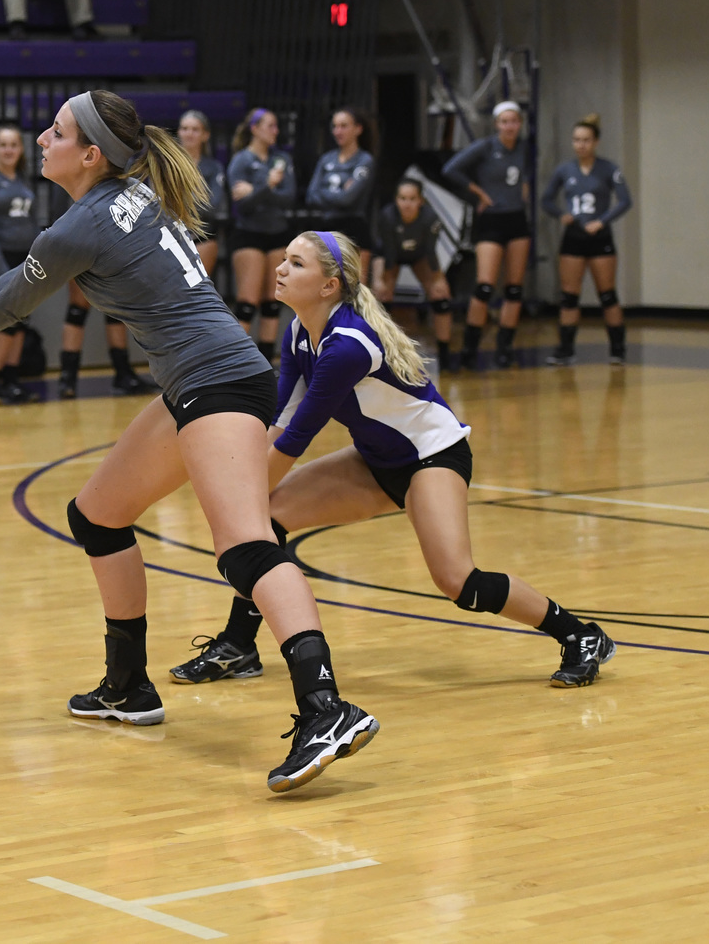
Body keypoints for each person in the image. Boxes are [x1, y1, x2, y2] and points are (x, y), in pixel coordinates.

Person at [0, 90, 379, 793]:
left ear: (92, 155)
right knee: (96, 514)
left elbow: (12, 297)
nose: (43, 138)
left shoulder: (83, 225)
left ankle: (326, 708)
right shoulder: (128, 194)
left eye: (58, 131)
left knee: (246, 546)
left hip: (216, 382)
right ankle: (128, 685)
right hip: (202, 379)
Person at [170, 229, 617, 690]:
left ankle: (580, 635)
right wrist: (241, 494)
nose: (281, 269)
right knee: (269, 519)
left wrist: (236, 503)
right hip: (376, 459)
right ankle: (239, 645)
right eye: (284, 259)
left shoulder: (347, 345)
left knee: (458, 580)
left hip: (431, 456)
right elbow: (277, 423)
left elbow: (297, 438)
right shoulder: (300, 332)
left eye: (297, 263)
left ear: (330, 285)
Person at [442, 100, 531, 369]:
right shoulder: (485, 147)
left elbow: (523, 178)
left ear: (519, 124)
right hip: (491, 220)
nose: (510, 126)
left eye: (514, 121)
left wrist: (523, 193)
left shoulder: (524, 149)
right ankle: (470, 348)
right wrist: (479, 194)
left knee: (514, 288)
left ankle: (505, 348)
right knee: (484, 286)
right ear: (497, 124)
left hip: (517, 219)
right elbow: (451, 170)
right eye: (504, 122)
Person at [540, 114, 633, 366]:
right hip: (573, 237)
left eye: (586, 140)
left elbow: (625, 200)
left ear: (596, 142)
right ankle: (565, 350)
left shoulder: (609, 169)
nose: (581, 145)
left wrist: (602, 221)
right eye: (576, 140)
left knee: (607, 295)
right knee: (569, 296)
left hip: (600, 237)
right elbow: (546, 200)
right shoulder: (565, 170)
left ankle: (618, 349)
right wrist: (562, 215)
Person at [0, 124, 42, 405]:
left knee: (23, 320)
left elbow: (32, 222)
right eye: (3, 145)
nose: (9, 150)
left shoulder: (24, 180)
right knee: (6, 320)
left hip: (26, 256)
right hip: (0, 257)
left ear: (21, 149)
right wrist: (0, 267)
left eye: (14, 145)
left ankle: (12, 381)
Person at [227, 107, 296, 364]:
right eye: (270, 125)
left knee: (272, 301)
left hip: (277, 232)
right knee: (248, 302)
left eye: (276, 126)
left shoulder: (282, 160)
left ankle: (265, 364)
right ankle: (236, 364)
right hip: (249, 235)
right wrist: (268, 186)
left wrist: (256, 191)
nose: (275, 131)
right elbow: (242, 206)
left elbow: (288, 198)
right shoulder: (242, 160)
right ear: (254, 129)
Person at [374, 178, 455, 369]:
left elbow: (430, 251)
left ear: (421, 201)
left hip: (420, 256)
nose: (407, 204)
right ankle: (382, 354)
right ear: (396, 200)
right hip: (389, 255)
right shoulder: (387, 217)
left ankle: (445, 354)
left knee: (441, 294)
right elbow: (389, 253)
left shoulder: (430, 218)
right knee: (381, 294)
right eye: (402, 198)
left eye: (412, 199)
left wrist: (437, 280)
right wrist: (380, 281)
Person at [305, 108, 378, 282]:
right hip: (327, 228)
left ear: (358, 129)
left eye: (344, 126)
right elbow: (310, 196)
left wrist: (327, 193)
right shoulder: (326, 159)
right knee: (326, 289)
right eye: (335, 126)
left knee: (354, 291)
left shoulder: (364, 160)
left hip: (354, 228)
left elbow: (348, 199)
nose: (338, 131)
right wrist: (338, 194)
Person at [178, 109, 228, 279]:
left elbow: (213, 204)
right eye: (185, 128)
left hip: (202, 234)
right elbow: (159, 202)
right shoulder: (166, 165)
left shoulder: (213, 168)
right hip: (171, 234)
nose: (189, 133)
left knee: (195, 291)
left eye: (195, 129)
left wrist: (181, 198)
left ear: (205, 135)